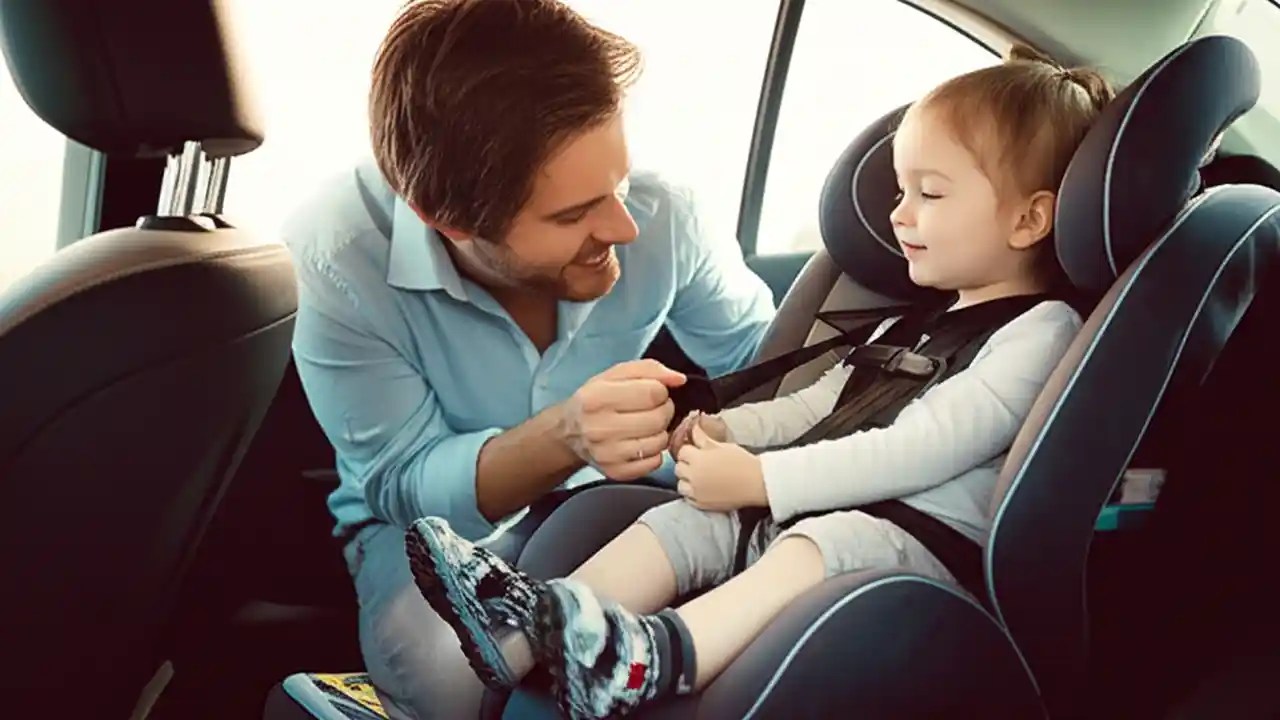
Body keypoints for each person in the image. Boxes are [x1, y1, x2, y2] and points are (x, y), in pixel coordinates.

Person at [404, 45, 1115, 719]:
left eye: (929, 193)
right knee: (689, 520)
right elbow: (815, 407)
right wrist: (729, 433)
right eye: (900, 189)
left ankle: (649, 661)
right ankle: (523, 630)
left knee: (823, 542)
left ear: (1029, 218)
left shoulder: (1041, 330)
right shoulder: (909, 325)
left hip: (913, 545)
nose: (899, 214)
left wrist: (762, 482)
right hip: (834, 508)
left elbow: (918, 450)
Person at [283, 1, 775, 716]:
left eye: (619, 184)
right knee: (461, 685)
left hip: (631, 496)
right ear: (446, 222)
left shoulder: (667, 217)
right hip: (423, 538)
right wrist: (567, 435)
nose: (623, 226)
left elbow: (767, 361)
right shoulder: (334, 258)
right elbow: (401, 481)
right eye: (573, 215)